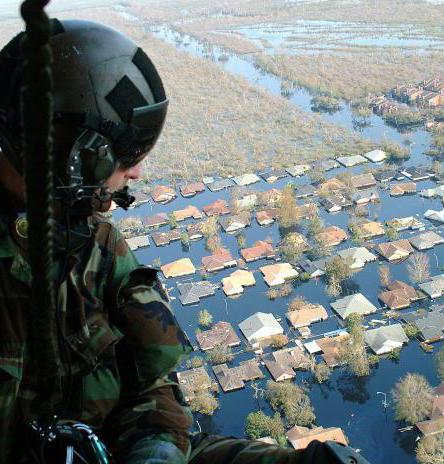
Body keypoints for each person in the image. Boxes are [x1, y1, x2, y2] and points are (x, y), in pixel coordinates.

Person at [0, 19, 365, 464]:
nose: (135, 173)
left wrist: (154, 451)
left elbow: (152, 384)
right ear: (80, 155)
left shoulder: (93, 242)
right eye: (128, 157)